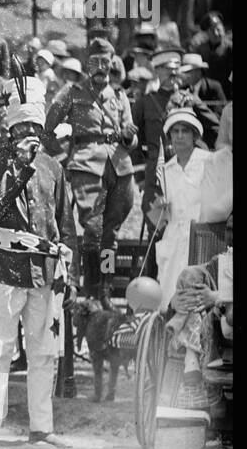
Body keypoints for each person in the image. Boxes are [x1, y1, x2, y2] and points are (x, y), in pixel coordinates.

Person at [0, 102, 77, 448]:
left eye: (35, 128)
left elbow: (66, 223)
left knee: (43, 350)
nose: (30, 134)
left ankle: (42, 427)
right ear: (10, 131)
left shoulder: (53, 168)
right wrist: (17, 166)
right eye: (23, 129)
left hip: (44, 271)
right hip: (5, 266)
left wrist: (69, 274)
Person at [45, 37, 137, 299]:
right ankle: (91, 290)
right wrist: (62, 157)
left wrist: (129, 136)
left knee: (111, 234)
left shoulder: (119, 96)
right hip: (86, 165)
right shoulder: (72, 93)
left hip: (120, 166)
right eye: (95, 61)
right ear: (87, 64)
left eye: (105, 62)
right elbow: (47, 130)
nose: (100, 67)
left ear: (112, 63)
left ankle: (104, 289)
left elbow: (131, 139)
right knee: (93, 230)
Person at [151, 109, 223, 306]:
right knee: (168, 300)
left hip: (201, 241)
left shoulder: (209, 162)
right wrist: (158, 210)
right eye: (175, 132)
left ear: (194, 136)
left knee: (194, 300)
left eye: (185, 131)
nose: (180, 136)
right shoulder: (166, 169)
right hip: (172, 243)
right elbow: (163, 218)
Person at [132, 47, 182, 215]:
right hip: (155, 173)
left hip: (185, 171)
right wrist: (140, 177)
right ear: (158, 71)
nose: (173, 73)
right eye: (169, 70)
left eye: (176, 70)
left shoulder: (188, 100)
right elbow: (134, 141)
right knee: (156, 225)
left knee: (185, 224)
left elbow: (211, 130)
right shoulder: (145, 103)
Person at [176, 53, 226, 147]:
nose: (185, 75)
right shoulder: (182, 90)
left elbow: (219, 117)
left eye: (188, 72)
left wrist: (198, 104)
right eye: (184, 72)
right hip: (189, 139)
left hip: (212, 138)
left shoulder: (214, 87)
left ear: (198, 72)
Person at [191, 11, 233, 92]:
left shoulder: (229, 47)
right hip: (210, 91)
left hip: (228, 91)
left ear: (223, 28)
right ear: (207, 33)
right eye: (212, 30)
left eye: (218, 29)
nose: (216, 33)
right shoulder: (202, 50)